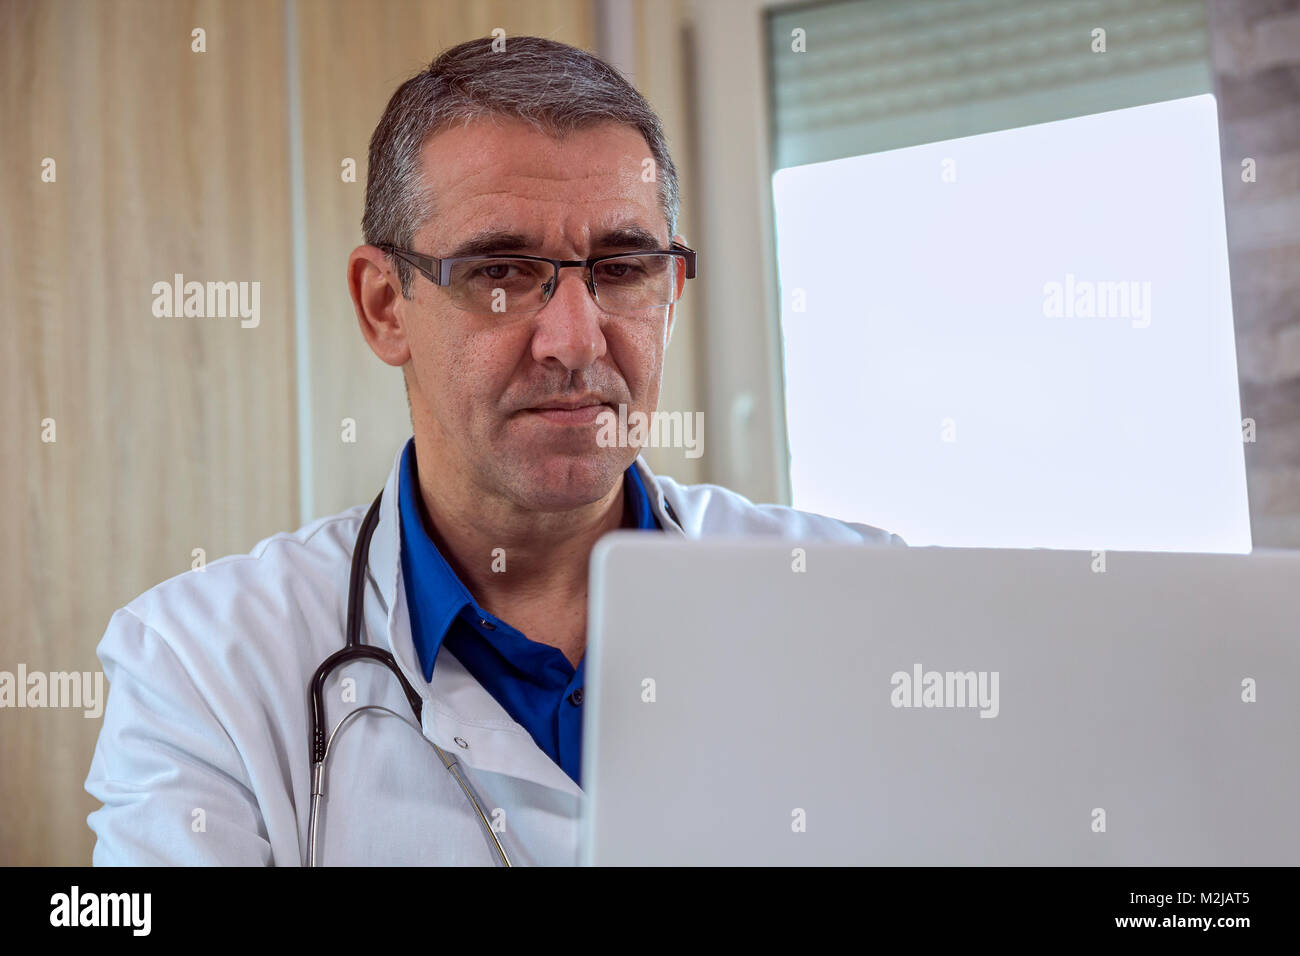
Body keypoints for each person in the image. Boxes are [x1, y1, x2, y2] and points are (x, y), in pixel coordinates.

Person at [84, 35, 904, 866]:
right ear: (383, 307)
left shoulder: (868, 604)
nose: (576, 341)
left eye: (622, 268)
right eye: (502, 272)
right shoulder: (198, 669)